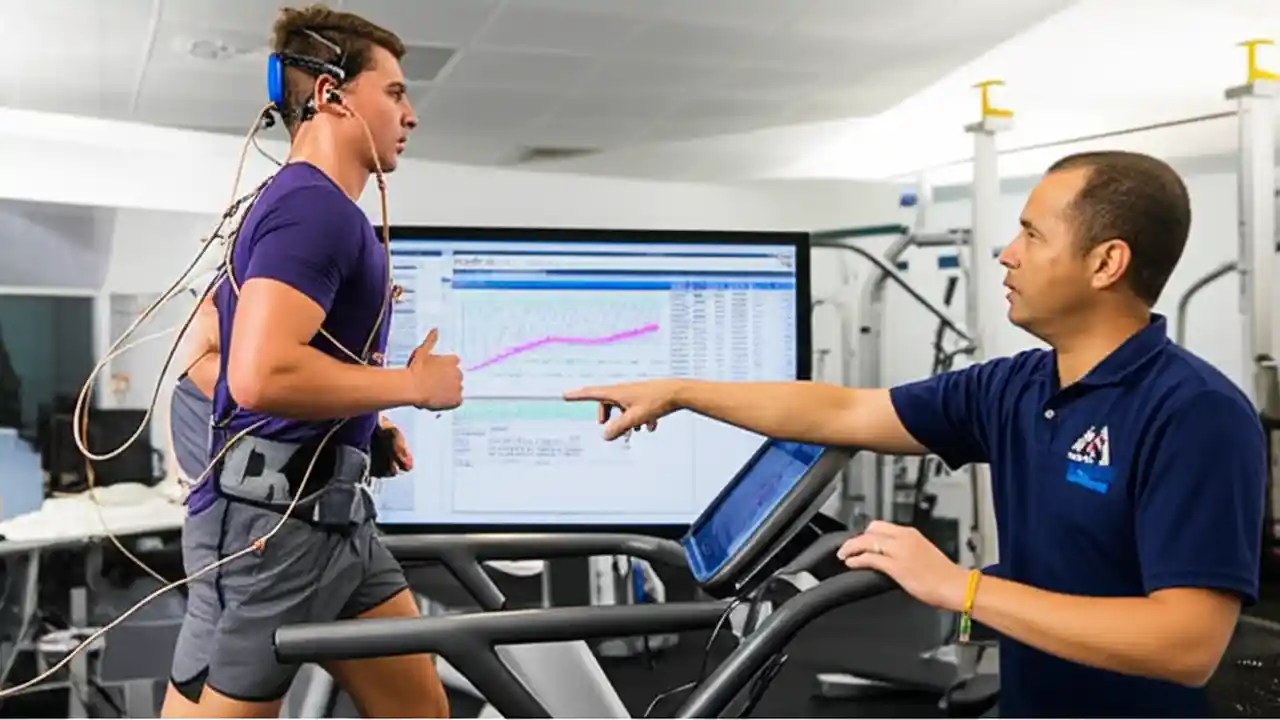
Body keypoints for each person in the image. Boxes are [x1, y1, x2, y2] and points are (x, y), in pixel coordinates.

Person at [566, 151, 1267, 718]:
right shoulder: (1017, 385)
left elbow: (1186, 645)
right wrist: (682, 392)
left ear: (1106, 262)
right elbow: (843, 412)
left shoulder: (1196, 413)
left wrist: (961, 589)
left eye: (1031, 235)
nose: (1007, 254)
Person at [161, 5, 463, 718]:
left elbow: (205, 351)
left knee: (421, 713)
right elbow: (259, 373)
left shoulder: (308, 209)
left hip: (340, 524)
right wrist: (408, 386)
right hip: (272, 537)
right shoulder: (312, 211)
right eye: (394, 93)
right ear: (331, 95)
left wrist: (354, 422)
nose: (410, 115)